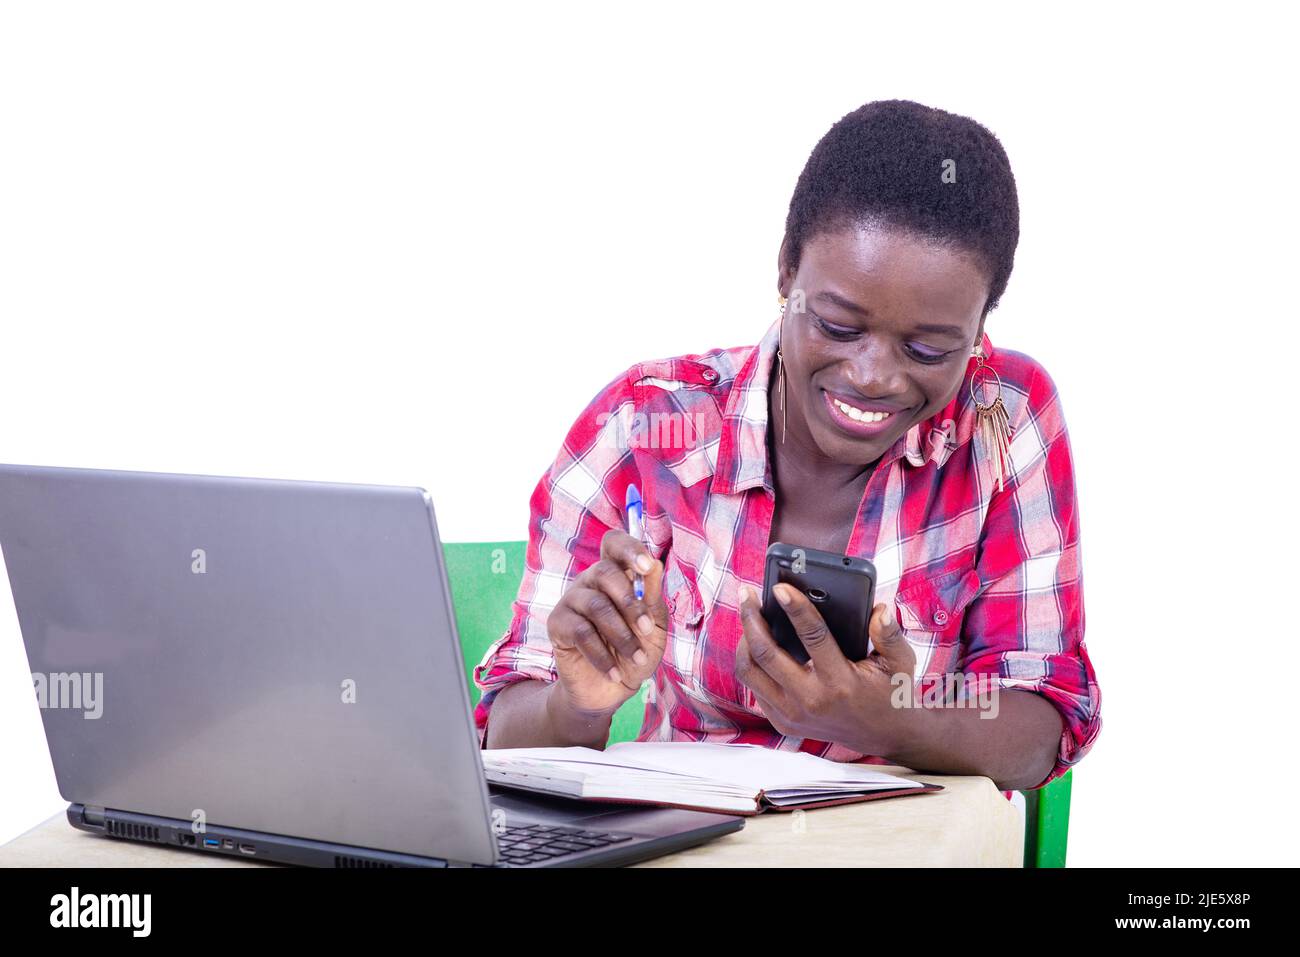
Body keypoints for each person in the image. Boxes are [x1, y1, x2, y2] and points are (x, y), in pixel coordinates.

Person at [474, 99, 1101, 792]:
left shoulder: (1001, 418)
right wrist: (576, 703)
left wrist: (894, 718)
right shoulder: (646, 421)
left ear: (980, 329)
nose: (872, 375)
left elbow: (1042, 725)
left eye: (928, 348)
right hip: (689, 842)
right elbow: (504, 740)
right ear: (786, 276)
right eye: (837, 325)